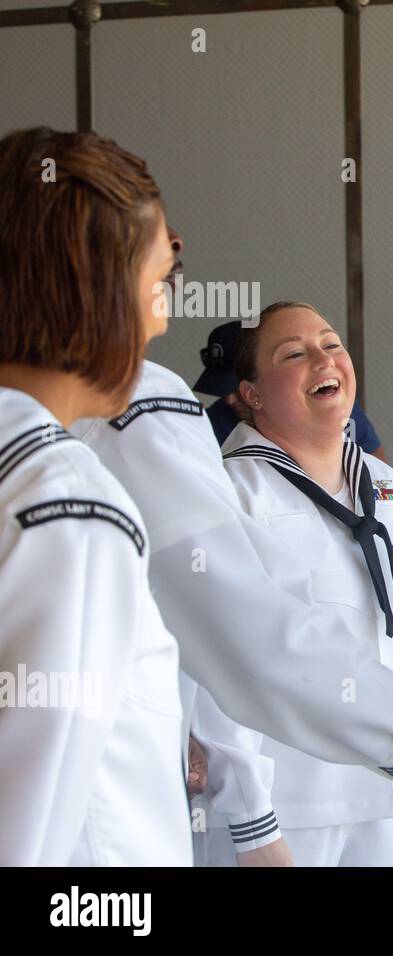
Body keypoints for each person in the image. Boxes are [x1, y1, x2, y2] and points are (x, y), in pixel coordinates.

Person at [190, 301, 393, 866]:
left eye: (330, 344)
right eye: (294, 354)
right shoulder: (231, 490)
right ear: (249, 394)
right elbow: (215, 661)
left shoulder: (388, 488)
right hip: (286, 806)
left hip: (386, 796)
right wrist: (251, 819)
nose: (323, 359)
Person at [0, 126, 190, 865]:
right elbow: (29, 825)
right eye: (158, 276)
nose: (163, 314)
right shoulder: (67, 507)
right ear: (93, 285)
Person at [195, 319, 388, 460]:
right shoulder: (208, 424)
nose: (229, 400)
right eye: (222, 390)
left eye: (235, 390)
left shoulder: (328, 403)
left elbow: (376, 462)